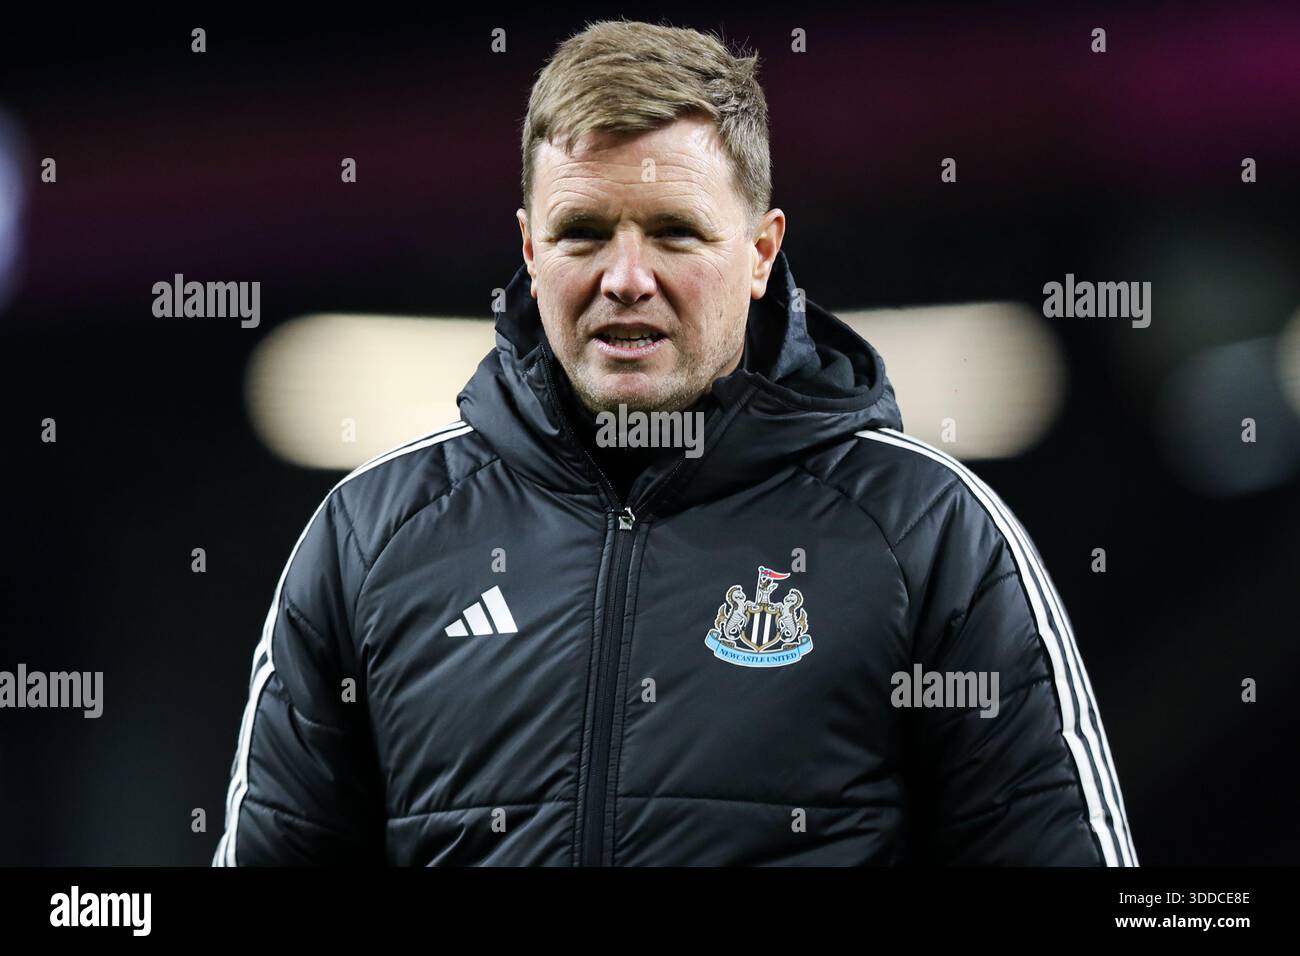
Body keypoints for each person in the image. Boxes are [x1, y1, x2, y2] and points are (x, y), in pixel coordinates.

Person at [213, 19, 1136, 866]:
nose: (625, 278)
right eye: (582, 233)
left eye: (673, 232)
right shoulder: (369, 540)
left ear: (763, 252)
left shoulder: (934, 535)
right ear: (530, 250)